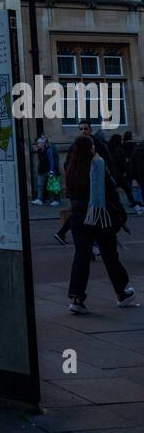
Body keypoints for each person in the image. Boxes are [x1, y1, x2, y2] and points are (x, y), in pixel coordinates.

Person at [64, 133, 135, 313]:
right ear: (89, 149)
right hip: (99, 215)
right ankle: (122, 292)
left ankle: (76, 297)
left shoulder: (71, 168)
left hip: (79, 217)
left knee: (81, 256)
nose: (94, 148)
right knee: (110, 255)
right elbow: (111, 192)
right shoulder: (97, 164)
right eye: (92, 146)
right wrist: (121, 216)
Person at [109, 133, 143, 213]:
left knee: (114, 190)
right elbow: (123, 162)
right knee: (128, 190)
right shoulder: (120, 149)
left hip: (113, 173)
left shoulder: (109, 149)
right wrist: (125, 171)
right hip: (120, 174)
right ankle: (136, 206)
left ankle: (113, 205)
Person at [32, 134, 59, 205]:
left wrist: (51, 171)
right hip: (42, 171)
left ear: (43, 144)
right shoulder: (39, 151)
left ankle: (53, 200)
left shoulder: (48, 150)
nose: (37, 144)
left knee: (51, 186)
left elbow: (52, 161)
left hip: (49, 170)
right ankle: (40, 199)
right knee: (40, 185)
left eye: (39, 143)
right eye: (37, 143)